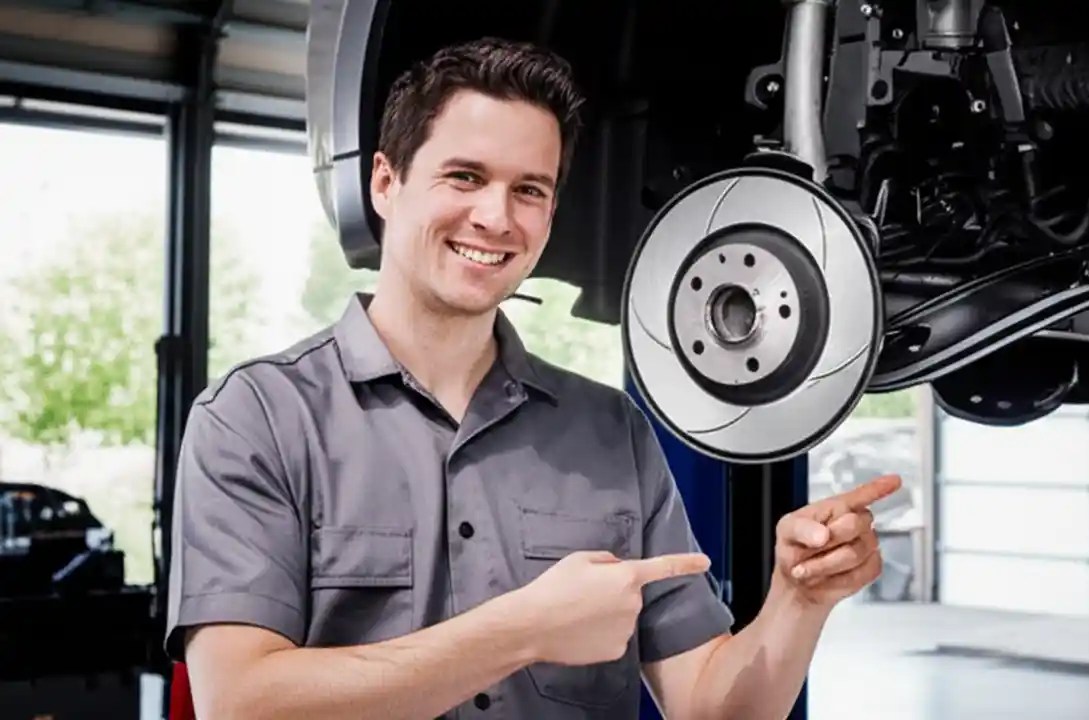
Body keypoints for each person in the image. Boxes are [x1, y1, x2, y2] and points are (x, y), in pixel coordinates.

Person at [165, 36, 901, 720]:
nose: (496, 217)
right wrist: (522, 630)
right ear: (386, 183)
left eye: (530, 190)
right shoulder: (255, 417)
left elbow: (710, 704)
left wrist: (798, 601)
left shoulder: (612, 433)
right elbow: (241, 701)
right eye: (465, 176)